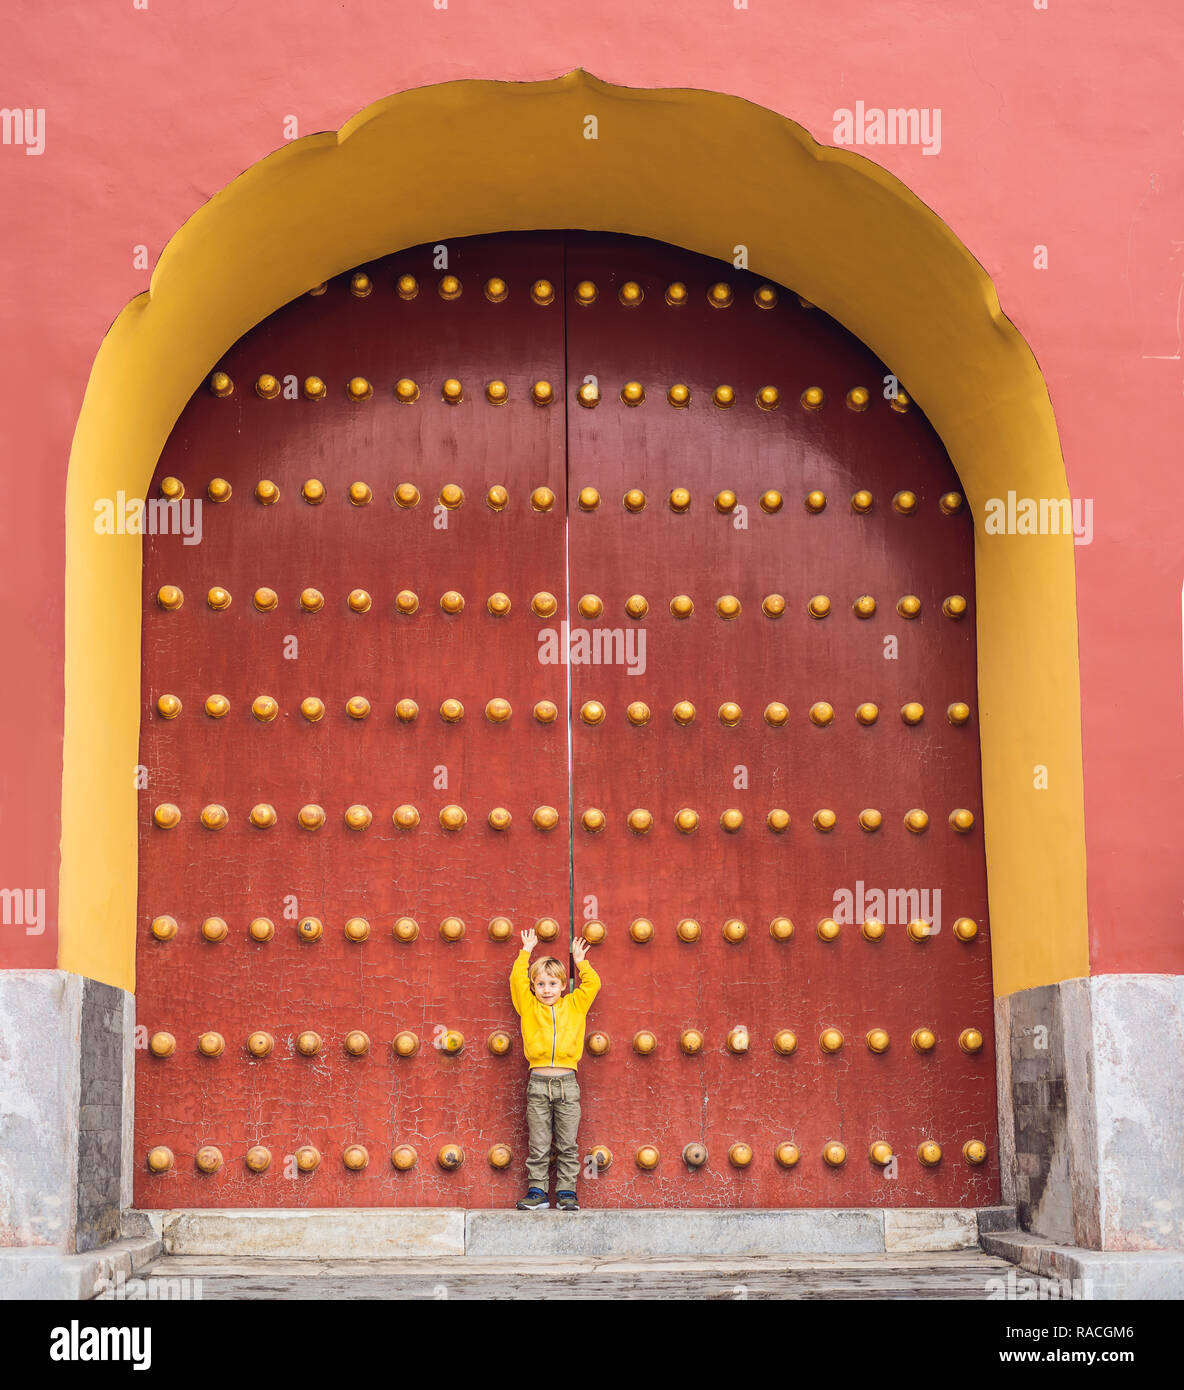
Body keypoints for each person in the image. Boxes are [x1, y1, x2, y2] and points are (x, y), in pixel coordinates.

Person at [509, 926, 600, 1211]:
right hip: (538, 1083)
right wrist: (525, 952)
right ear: (533, 987)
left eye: (552, 984)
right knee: (538, 1143)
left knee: (567, 1144)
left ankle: (566, 1193)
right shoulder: (528, 1006)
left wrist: (579, 960)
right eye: (541, 984)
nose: (546, 989)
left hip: (567, 1084)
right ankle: (537, 1192)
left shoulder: (575, 1005)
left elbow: (593, 983)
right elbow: (516, 980)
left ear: (563, 986)